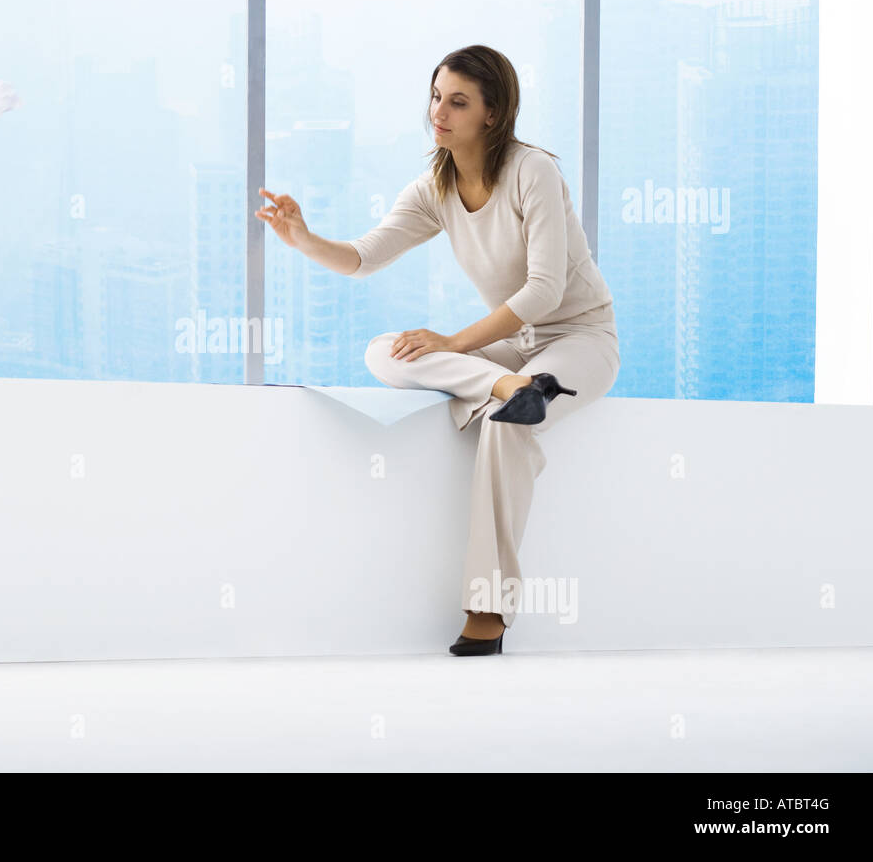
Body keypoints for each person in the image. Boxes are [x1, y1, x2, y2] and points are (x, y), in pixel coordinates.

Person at [255, 45, 620, 657]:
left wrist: (453, 343)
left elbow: (545, 289)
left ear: (493, 114)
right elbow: (364, 257)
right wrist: (304, 239)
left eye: (457, 102)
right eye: (435, 97)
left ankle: (487, 607)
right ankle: (507, 388)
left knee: (507, 428)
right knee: (385, 352)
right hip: (513, 354)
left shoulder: (534, 172)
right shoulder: (436, 186)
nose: (438, 113)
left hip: (579, 338)